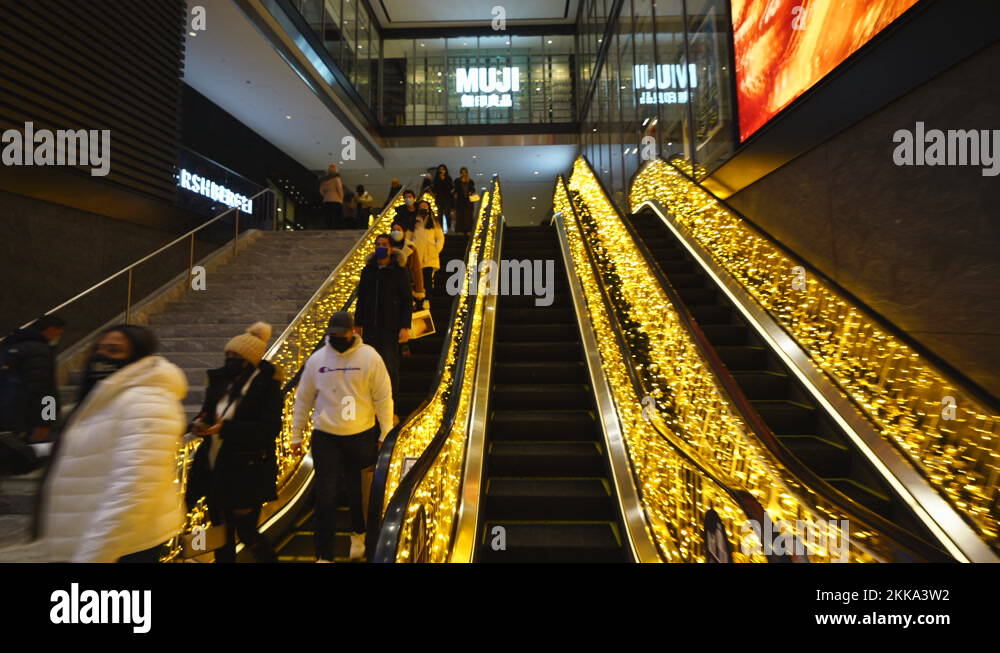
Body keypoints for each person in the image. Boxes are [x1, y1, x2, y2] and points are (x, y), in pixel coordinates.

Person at [38, 325, 187, 563]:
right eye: (98, 349)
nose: (101, 356)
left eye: (114, 350)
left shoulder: (147, 401)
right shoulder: (109, 396)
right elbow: (99, 447)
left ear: (138, 357)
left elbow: (135, 489)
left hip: (124, 545)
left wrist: (95, 555)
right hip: (94, 534)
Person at [291, 312, 393, 563]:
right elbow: (303, 399)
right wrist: (295, 435)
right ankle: (324, 554)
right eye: (333, 335)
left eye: (341, 334)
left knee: (356, 491)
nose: (337, 338)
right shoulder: (317, 360)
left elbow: (382, 394)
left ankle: (358, 534)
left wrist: (386, 431)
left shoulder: (369, 357)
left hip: (360, 434)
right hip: (326, 435)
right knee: (325, 494)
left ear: (352, 332)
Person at [185, 322, 280, 564]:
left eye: (236, 356)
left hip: (246, 471)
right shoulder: (220, 382)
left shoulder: (267, 386)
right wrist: (200, 422)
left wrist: (226, 429)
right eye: (228, 354)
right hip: (214, 467)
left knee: (246, 532)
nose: (230, 359)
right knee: (220, 536)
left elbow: (268, 430)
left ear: (250, 359)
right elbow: (208, 411)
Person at [354, 234, 413, 399]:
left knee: (389, 366)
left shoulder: (399, 271)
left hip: (390, 327)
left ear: (391, 248)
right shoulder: (368, 270)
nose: (381, 247)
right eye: (378, 244)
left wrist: (404, 326)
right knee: (369, 366)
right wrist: (358, 325)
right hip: (370, 327)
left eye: (384, 244)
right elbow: (362, 298)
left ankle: (391, 402)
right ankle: (371, 401)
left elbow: (407, 300)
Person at [0, 315, 65, 443]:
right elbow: (45, 389)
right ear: (51, 329)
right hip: (25, 421)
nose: (58, 337)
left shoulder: (8, 346)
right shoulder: (40, 350)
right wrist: (46, 421)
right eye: (59, 333)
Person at [390, 222, 426, 309]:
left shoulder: (410, 248)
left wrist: (419, 290)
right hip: (389, 286)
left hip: (407, 285)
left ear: (404, 232)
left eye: (398, 230)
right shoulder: (387, 247)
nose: (396, 232)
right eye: (393, 230)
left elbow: (416, 269)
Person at [413, 201, 445, 295]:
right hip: (417, 253)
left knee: (427, 278)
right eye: (421, 206)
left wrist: (436, 249)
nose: (423, 208)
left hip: (430, 254)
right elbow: (409, 236)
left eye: (425, 206)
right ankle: (419, 300)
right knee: (417, 278)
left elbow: (440, 237)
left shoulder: (433, 221)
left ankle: (427, 299)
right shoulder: (414, 220)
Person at [319, 163, 345, 229]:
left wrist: (326, 195)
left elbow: (321, 191)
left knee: (328, 217)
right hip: (336, 201)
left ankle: (328, 229)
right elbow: (340, 189)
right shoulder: (337, 179)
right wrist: (341, 199)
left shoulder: (324, 180)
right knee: (336, 218)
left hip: (326, 201)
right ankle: (335, 230)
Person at [453, 167, 477, 235]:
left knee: (468, 216)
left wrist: (471, 192)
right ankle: (460, 230)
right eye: (462, 172)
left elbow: (473, 190)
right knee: (460, 216)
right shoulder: (457, 181)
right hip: (460, 201)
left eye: (465, 172)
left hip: (468, 201)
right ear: (460, 173)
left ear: (467, 173)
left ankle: (469, 230)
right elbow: (455, 190)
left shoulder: (470, 181)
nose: (463, 174)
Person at [431, 164, 454, 232]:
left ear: (445, 170)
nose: (441, 170)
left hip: (447, 199)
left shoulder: (448, 178)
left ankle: (449, 228)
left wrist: (444, 180)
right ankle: (440, 228)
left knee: (447, 214)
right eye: (440, 169)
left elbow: (450, 188)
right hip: (439, 199)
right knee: (440, 214)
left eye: (443, 169)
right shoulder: (436, 179)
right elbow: (435, 189)